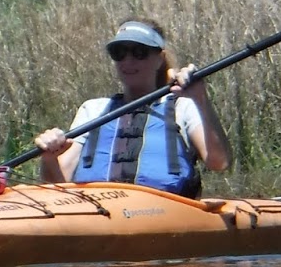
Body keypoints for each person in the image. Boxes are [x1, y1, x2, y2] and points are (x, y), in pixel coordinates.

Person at [33, 18, 233, 196]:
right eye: (119, 53)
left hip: (164, 214)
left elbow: (219, 162)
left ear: (159, 59)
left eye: (139, 52)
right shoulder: (93, 110)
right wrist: (49, 158)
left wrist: (200, 99)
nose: (128, 61)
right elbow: (57, 185)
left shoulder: (183, 106)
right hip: (98, 213)